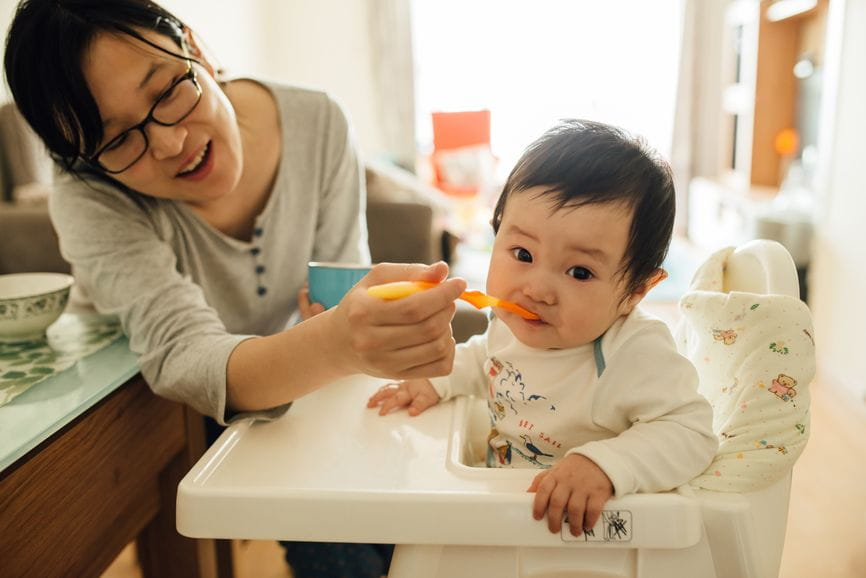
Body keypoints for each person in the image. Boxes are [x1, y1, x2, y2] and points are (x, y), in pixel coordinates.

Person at [4, 1, 466, 576]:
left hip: (298, 389)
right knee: (325, 528)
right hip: (152, 405)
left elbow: (339, 289)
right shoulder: (91, 195)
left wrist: (355, 330)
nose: (170, 144)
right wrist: (333, 341)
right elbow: (182, 358)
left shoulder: (317, 121)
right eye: (119, 140)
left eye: (167, 92)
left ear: (194, 47)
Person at [368, 119, 718, 537]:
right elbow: (486, 360)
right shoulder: (510, 321)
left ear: (635, 292)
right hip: (502, 506)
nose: (537, 290)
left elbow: (692, 432)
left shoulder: (632, 352)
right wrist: (437, 381)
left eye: (580, 272)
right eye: (522, 253)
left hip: (572, 538)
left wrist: (606, 465)